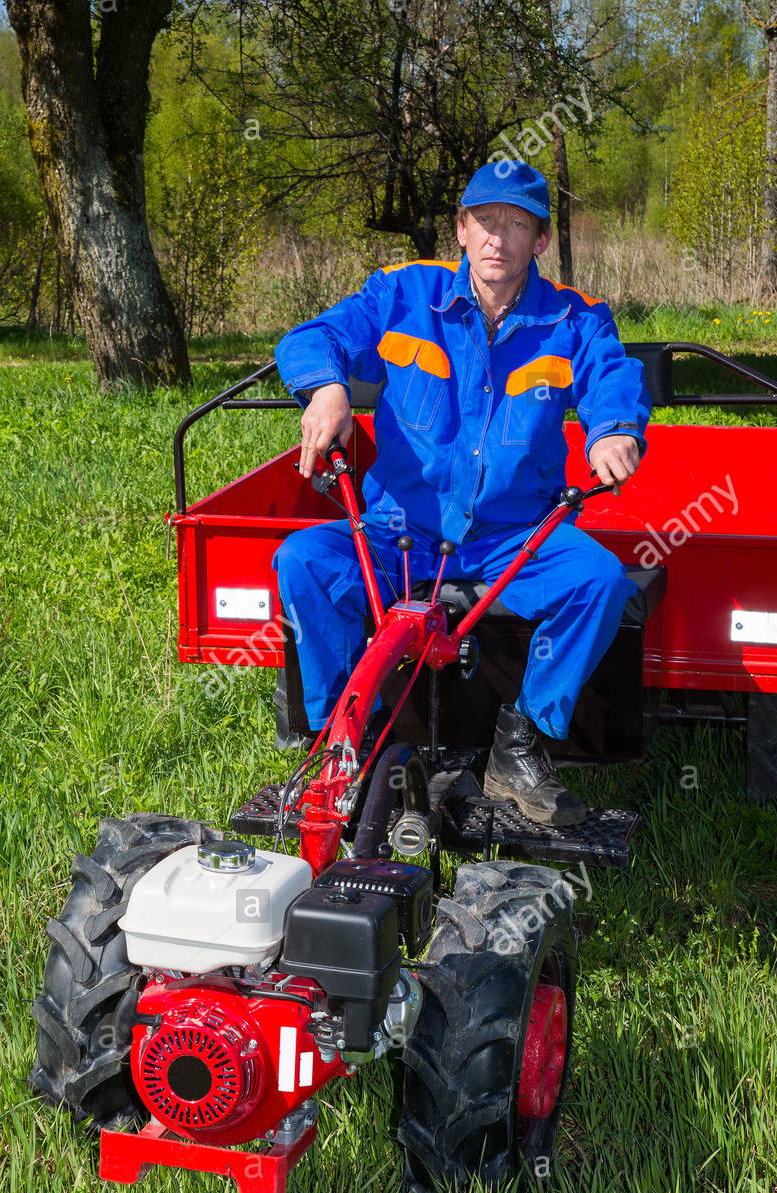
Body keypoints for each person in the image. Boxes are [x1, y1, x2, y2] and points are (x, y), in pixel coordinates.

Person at [272, 161, 651, 826]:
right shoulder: (400, 296)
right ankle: (349, 738)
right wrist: (328, 387)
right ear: (461, 230)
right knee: (303, 560)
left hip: (513, 534)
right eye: (484, 222)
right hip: (401, 529)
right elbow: (314, 338)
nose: (497, 238)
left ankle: (521, 741)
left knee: (600, 582)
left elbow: (613, 381)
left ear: (539, 240)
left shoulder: (574, 319)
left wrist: (612, 434)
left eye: (516, 224)